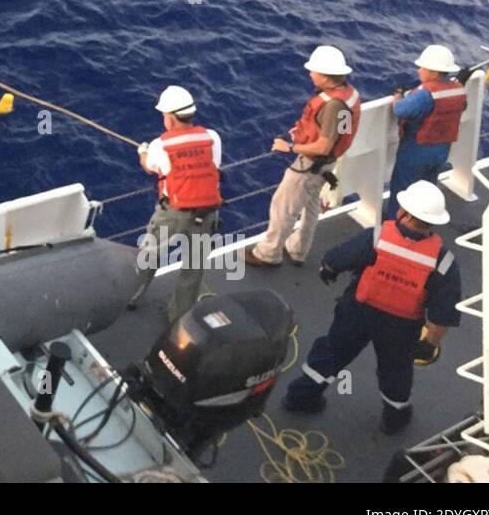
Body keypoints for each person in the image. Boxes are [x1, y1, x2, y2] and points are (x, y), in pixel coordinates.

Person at [282, 180, 462, 434]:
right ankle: (394, 418)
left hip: (357, 313)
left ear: (406, 213)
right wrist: (430, 341)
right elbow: (443, 314)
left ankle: (300, 398)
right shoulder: (443, 261)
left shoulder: (377, 237)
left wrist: (328, 270)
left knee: (332, 353)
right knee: (396, 371)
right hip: (401, 327)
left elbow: (336, 259)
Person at [246, 45, 361, 268]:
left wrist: (289, 147)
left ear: (327, 77)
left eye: (314, 71)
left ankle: (268, 254)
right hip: (327, 167)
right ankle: (298, 250)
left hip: (312, 166)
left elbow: (323, 146)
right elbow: (340, 134)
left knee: (283, 207)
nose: (310, 74)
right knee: (310, 208)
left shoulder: (332, 106)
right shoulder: (349, 97)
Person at [126, 85, 223, 322]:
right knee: (193, 268)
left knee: (149, 255)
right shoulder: (212, 138)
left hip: (173, 213)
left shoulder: (161, 145)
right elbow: (214, 165)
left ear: (169, 119)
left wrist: (142, 152)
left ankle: (131, 297)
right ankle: (178, 317)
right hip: (207, 213)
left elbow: (150, 166)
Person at [387, 44, 467, 219]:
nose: (419, 71)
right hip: (441, 151)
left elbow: (400, 110)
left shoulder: (426, 94)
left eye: (422, 67)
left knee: (403, 190)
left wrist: (398, 94)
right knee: (428, 188)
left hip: (417, 151)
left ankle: (395, 227)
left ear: (433, 71)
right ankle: (421, 220)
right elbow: (462, 104)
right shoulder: (458, 89)